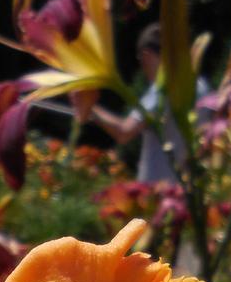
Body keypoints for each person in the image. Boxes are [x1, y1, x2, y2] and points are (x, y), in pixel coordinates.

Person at [77, 22, 203, 184]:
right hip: (188, 192)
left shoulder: (161, 91)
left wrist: (91, 109)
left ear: (147, 55)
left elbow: (124, 132)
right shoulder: (201, 86)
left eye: (141, 60)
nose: (143, 69)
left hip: (155, 189)